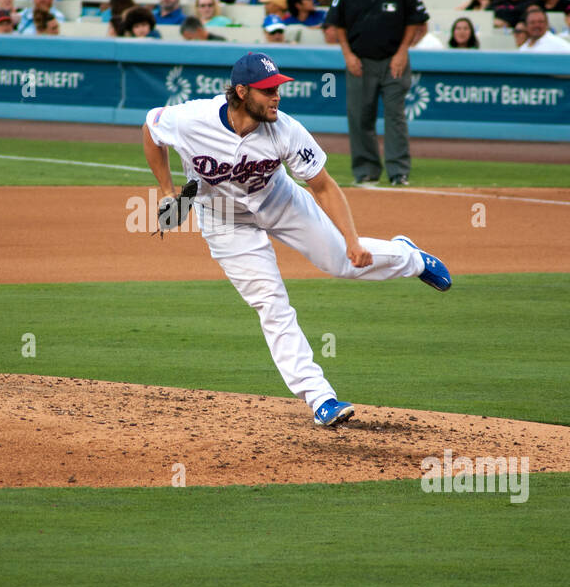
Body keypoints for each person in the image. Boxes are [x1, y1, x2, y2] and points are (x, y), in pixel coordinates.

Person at [140, 51, 451, 427]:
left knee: (341, 262)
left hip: (280, 201)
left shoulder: (285, 128)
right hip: (225, 223)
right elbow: (150, 127)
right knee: (271, 304)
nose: (277, 97)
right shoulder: (192, 119)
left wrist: (351, 239)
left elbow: (323, 185)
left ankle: (409, 257)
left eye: (278, 88)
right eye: (268, 90)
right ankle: (320, 398)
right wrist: (167, 190)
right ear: (241, 92)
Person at [324, 0, 429, 187]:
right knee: (360, 118)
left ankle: (398, 172)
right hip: (360, 61)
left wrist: (402, 52)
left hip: (394, 60)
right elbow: (336, 23)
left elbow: (416, 19)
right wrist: (348, 55)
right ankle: (366, 172)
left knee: (395, 117)